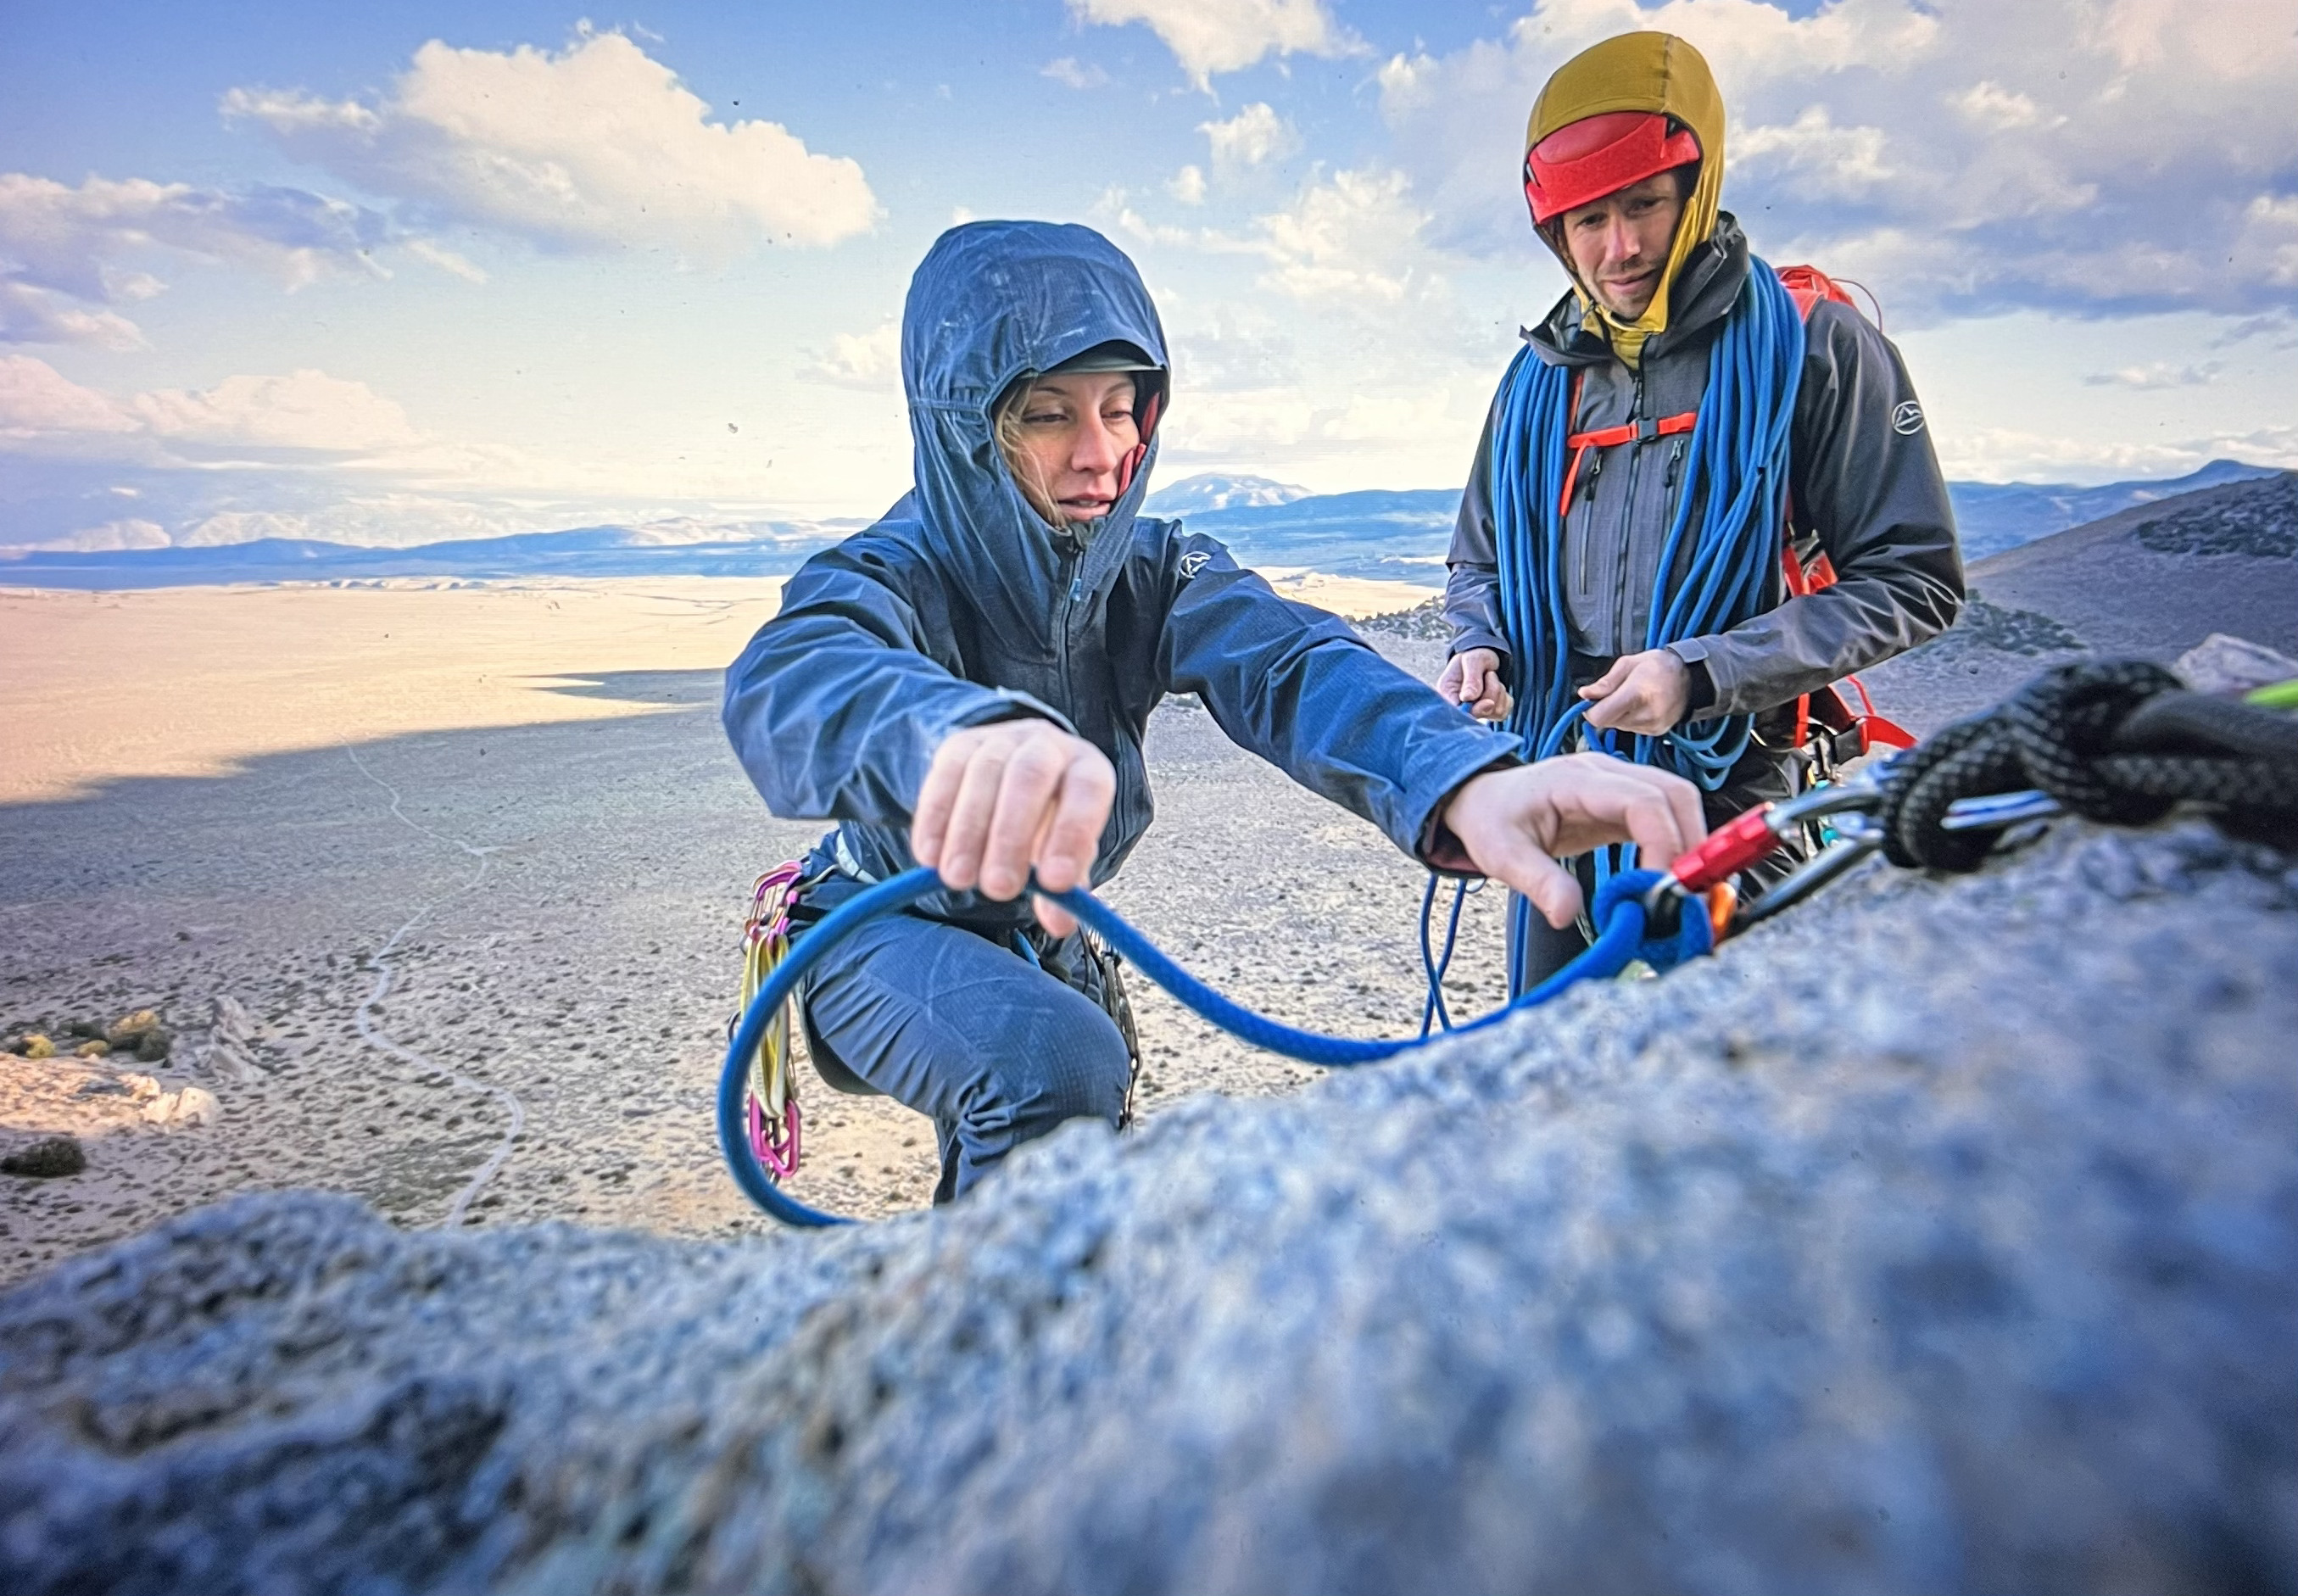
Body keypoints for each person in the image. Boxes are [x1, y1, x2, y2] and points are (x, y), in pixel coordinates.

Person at [723, 220, 1710, 1202]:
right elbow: (793, 673)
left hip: (1038, 923)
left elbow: (1290, 662)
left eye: (1121, 410)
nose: (1101, 454)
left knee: (1077, 1122)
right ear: (964, 429)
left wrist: (1463, 779)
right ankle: (994, 1307)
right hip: (871, 923)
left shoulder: (1147, 566)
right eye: (1049, 414)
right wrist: (947, 739)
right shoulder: (893, 569)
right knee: (1054, 1067)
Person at [1438, 31, 1965, 985]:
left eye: (1643, 204)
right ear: (1554, 230)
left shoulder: (1813, 346)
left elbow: (1914, 578)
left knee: (1741, 1051)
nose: (1620, 248)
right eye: (1589, 220)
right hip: (1565, 776)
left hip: (1734, 782)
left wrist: (1701, 672)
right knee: (1552, 1046)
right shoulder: (1534, 383)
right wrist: (1482, 642)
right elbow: (1480, 558)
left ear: (1697, 185)